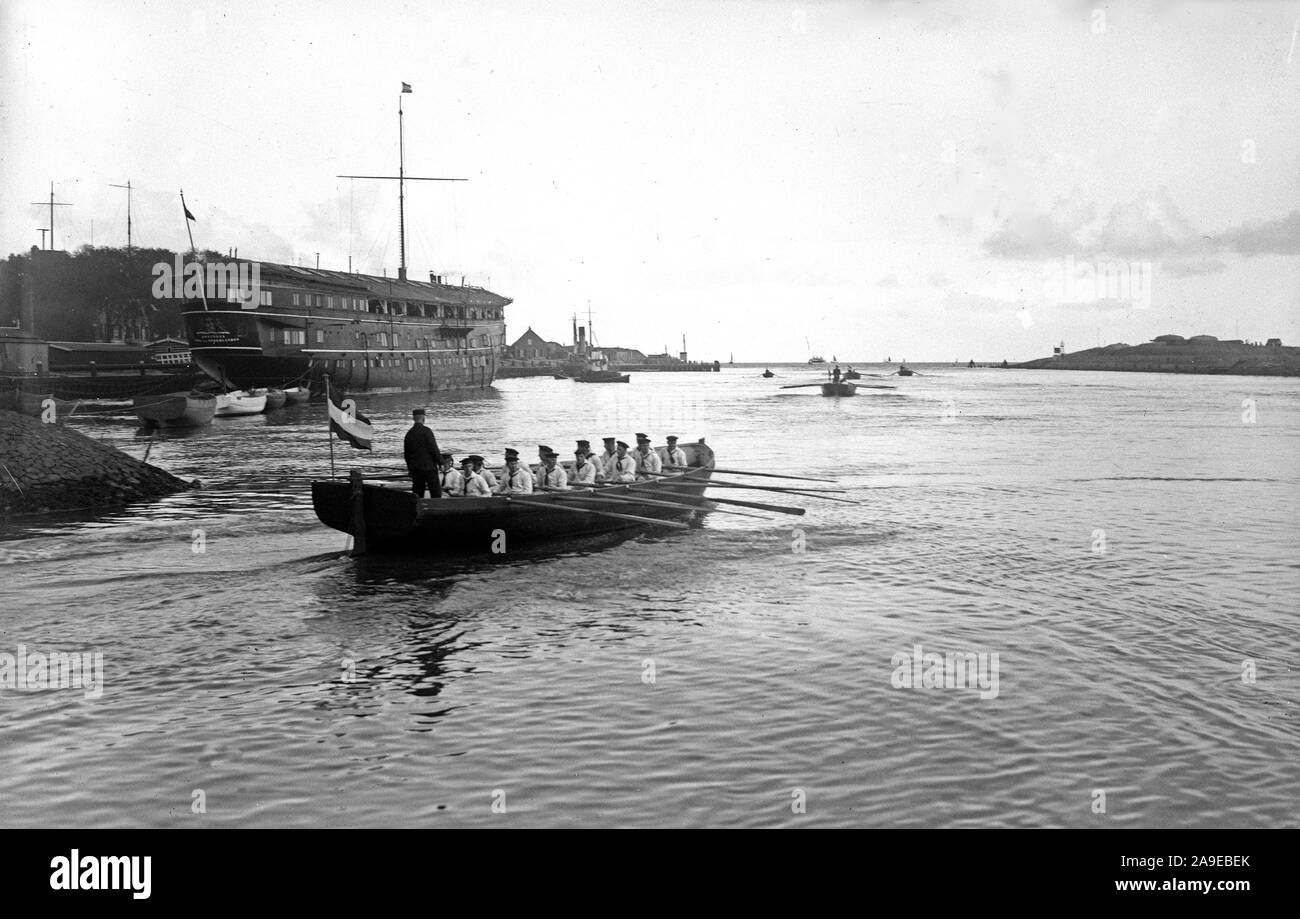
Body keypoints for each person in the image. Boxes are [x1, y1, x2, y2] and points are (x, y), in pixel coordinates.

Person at [403, 408, 442, 499]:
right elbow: (433, 449)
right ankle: (436, 508)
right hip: (429, 467)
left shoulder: (409, 434)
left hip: (415, 469)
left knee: (418, 490)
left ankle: (418, 507)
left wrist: (410, 469)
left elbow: (406, 455)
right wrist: (441, 462)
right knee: (435, 490)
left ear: (413, 419)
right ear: (423, 418)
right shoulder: (426, 431)